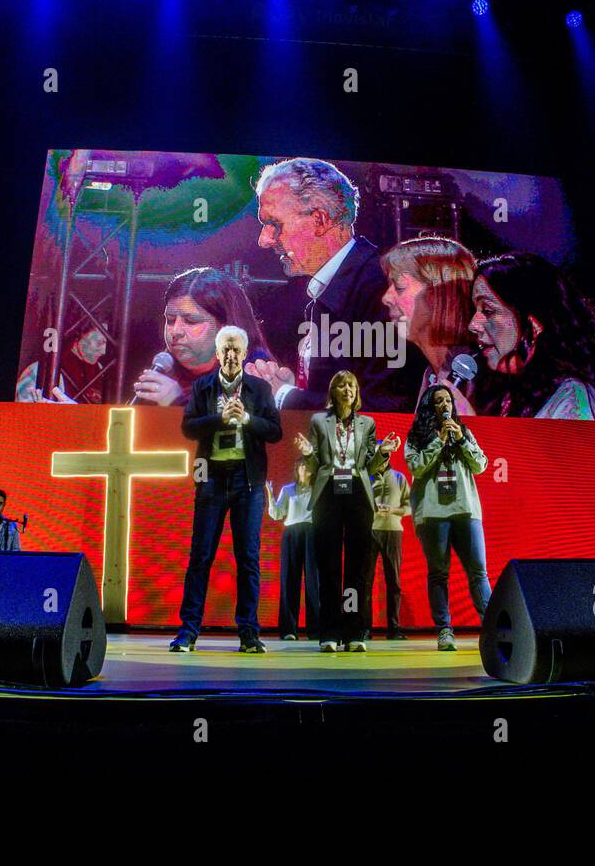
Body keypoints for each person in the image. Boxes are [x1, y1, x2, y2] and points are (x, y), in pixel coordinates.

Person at [248, 157, 423, 412]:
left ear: (320, 220)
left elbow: (382, 409)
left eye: (274, 224)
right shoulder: (345, 284)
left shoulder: (379, 290)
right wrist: (296, 389)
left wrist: (285, 397)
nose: (264, 240)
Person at [171, 326, 283, 653]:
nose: (231, 354)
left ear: (245, 353)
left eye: (237, 349)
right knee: (201, 556)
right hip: (212, 480)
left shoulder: (260, 389)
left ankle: (249, 633)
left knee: (248, 558)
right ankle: (188, 632)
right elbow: (188, 427)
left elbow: (275, 431)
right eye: (226, 349)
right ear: (217, 354)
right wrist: (219, 419)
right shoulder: (203, 387)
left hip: (247, 482)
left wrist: (247, 418)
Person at [297, 370, 402, 652]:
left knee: (357, 569)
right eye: (342, 385)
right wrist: (308, 452)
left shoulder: (367, 423)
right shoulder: (319, 421)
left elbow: (369, 465)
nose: (348, 390)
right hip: (327, 493)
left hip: (357, 494)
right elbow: (317, 462)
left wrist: (384, 452)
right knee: (329, 567)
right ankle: (329, 632)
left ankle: (354, 630)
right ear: (333, 392)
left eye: (352, 386)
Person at [468, 252, 595, 420]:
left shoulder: (574, 399)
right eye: (475, 310)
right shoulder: (506, 395)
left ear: (535, 324)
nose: (473, 325)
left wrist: (468, 428)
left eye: (488, 311)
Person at [404, 385, 491, 651]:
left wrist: (461, 440)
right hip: (433, 514)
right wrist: (438, 441)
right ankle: (444, 630)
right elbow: (416, 466)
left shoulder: (463, 431)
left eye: (448, 400)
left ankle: (491, 627)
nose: (445, 405)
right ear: (430, 407)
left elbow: (481, 465)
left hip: (466, 510)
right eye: (439, 401)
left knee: (478, 572)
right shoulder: (417, 435)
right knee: (439, 573)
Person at [132, 267, 273, 407]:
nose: (175, 331)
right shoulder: (165, 370)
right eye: (170, 320)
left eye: (191, 321)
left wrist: (178, 403)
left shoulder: (256, 373)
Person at [380, 235, 478, 416]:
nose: (386, 298)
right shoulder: (431, 375)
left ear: (439, 294)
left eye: (399, 286)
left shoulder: (477, 377)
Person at [265, 460, 319, 641]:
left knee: (315, 582)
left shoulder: (317, 489)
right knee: (289, 580)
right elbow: (278, 514)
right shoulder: (288, 490)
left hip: (312, 533)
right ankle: (289, 629)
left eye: (308, 465)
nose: (305, 468)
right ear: (297, 470)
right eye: (302, 465)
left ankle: (316, 629)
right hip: (292, 533)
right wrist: (270, 496)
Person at [368, 466, 411, 640]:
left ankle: (394, 629)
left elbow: (409, 507)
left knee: (394, 581)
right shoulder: (367, 476)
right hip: (370, 530)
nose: (383, 460)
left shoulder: (399, 477)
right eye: (380, 455)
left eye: (386, 455)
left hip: (393, 530)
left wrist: (392, 510)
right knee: (366, 582)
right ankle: (364, 628)